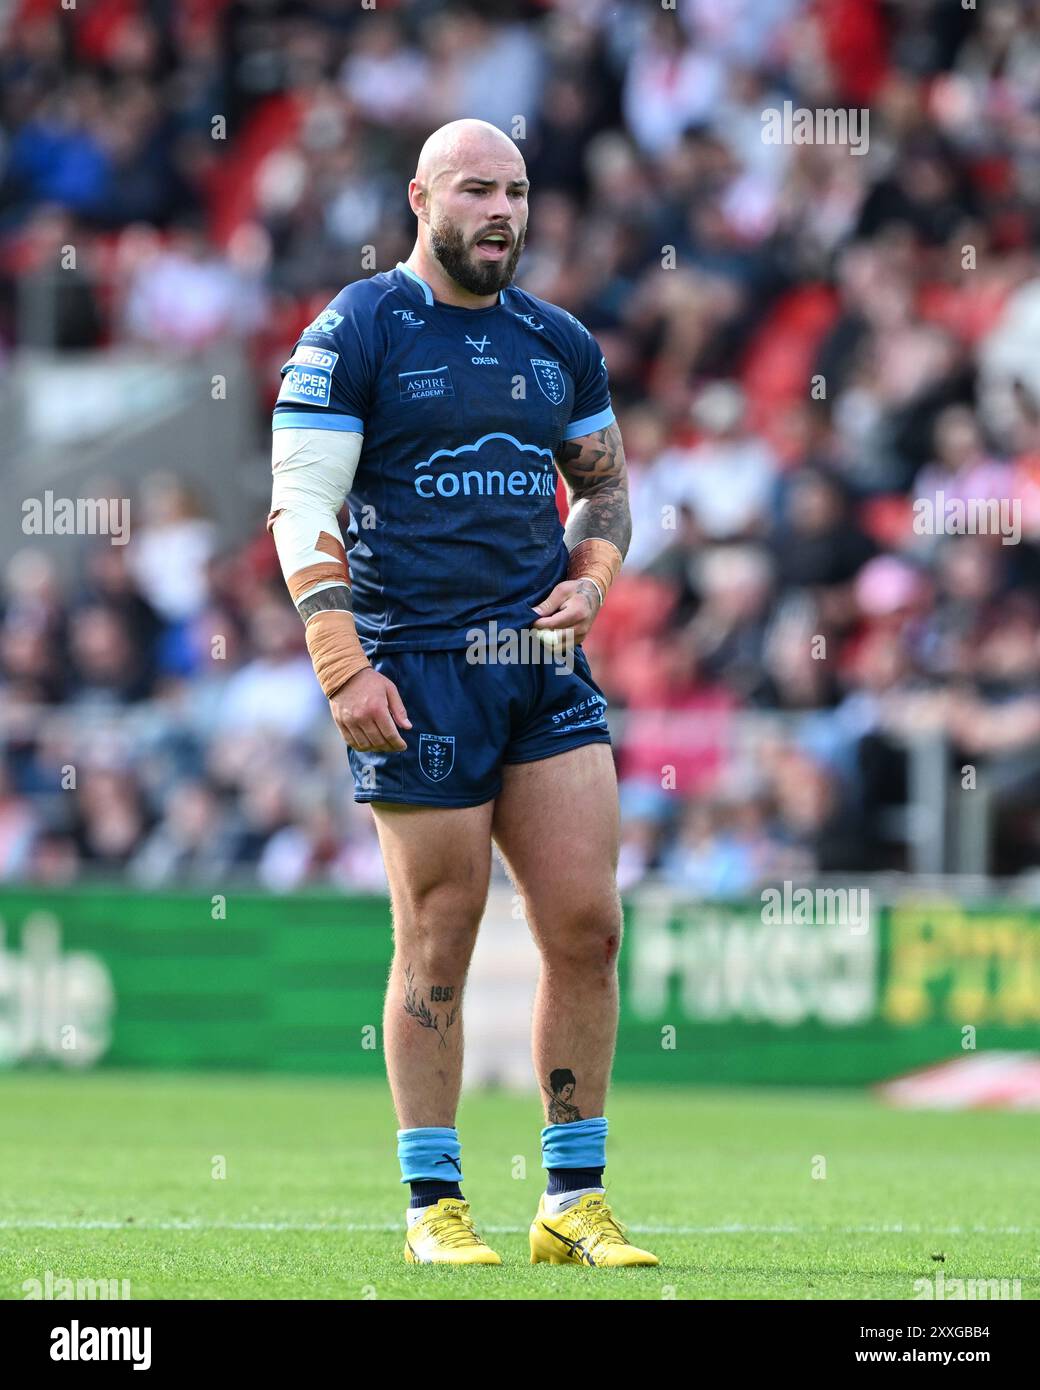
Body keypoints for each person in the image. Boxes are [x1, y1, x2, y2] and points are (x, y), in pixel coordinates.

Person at [267, 118, 656, 1268]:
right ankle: (433, 1207)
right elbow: (302, 508)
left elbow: (606, 495)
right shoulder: (355, 331)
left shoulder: (558, 341)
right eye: (477, 190)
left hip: (538, 666)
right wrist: (341, 664)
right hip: (415, 666)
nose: (503, 211)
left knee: (587, 928)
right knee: (437, 932)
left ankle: (569, 1198)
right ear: (419, 199)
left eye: (518, 191)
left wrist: (590, 578)